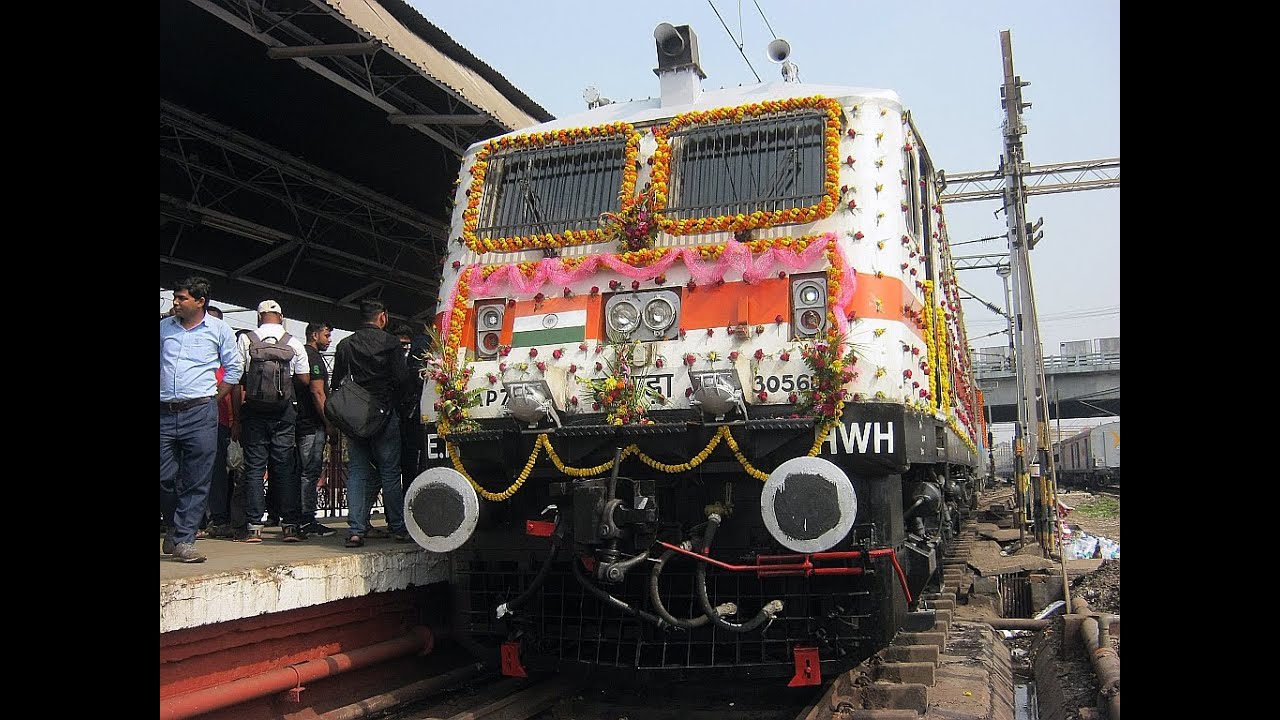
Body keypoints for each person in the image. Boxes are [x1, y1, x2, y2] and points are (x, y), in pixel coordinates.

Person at [160, 277, 243, 563]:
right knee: (165, 477)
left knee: (197, 478)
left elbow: (234, 369)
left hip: (201, 412)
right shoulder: (163, 329)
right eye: (175, 297)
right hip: (164, 412)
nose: (175, 303)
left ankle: (184, 538)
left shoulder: (219, 330)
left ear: (200, 301)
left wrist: (213, 400)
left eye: (182, 298)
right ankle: (173, 524)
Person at [331, 299, 414, 547]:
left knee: (357, 472)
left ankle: (356, 530)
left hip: (356, 418)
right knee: (389, 472)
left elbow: (337, 381)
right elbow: (401, 379)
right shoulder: (391, 343)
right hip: (385, 413)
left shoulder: (346, 344)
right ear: (383, 317)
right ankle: (398, 527)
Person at [235, 300, 311, 543]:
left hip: (254, 413)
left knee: (255, 470)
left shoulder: (246, 340)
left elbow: (237, 377)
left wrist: (237, 418)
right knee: (284, 469)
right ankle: (289, 525)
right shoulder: (293, 342)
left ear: (259, 317)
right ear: (281, 317)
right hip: (283, 413)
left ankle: (254, 527)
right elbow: (306, 379)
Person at [295, 321, 336, 537]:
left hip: (298, 421)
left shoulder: (299, 354)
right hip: (312, 424)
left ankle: (294, 517)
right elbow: (317, 392)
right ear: (314, 335)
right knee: (310, 472)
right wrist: (328, 422)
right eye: (326, 336)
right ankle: (307, 519)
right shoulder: (313, 357)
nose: (329, 340)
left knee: (299, 470)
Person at [200, 305, 238, 539]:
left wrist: (236, 421)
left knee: (216, 473)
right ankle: (196, 520)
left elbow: (234, 389)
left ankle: (218, 518)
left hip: (219, 423)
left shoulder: (226, 361)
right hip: (190, 421)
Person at [391, 323, 426, 495]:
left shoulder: (412, 362)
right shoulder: (394, 361)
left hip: (407, 417)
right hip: (401, 415)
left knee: (406, 465)